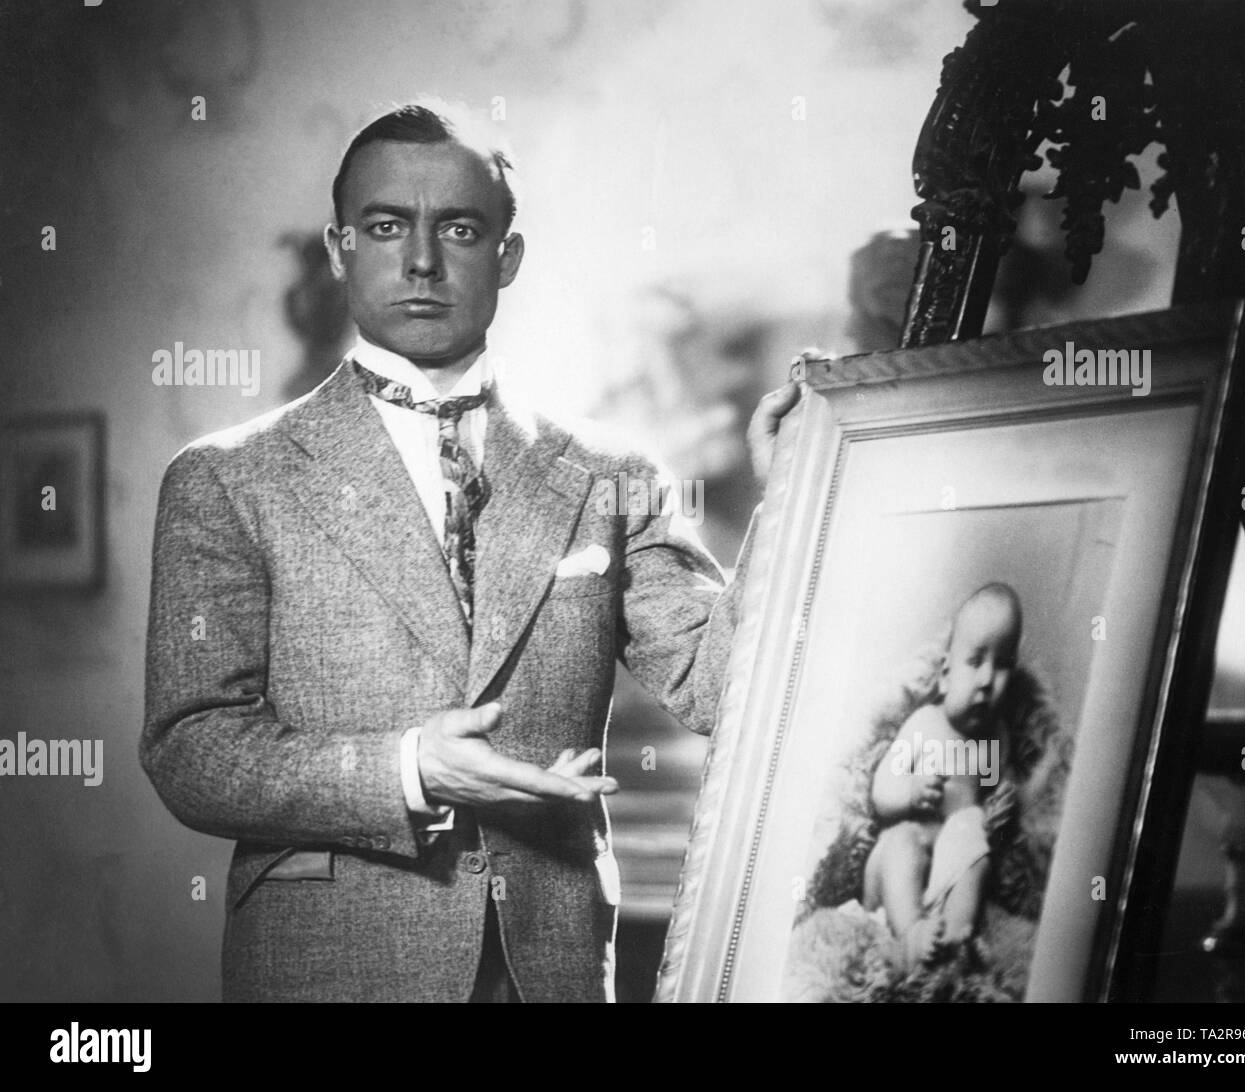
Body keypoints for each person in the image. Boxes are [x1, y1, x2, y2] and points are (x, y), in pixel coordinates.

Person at [140, 103, 798, 1002]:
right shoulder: (227, 480)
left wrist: (788, 495)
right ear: (340, 250)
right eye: (384, 227)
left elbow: (726, 683)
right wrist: (410, 768)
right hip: (327, 970)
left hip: (548, 967)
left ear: (507, 256)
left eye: (457, 228)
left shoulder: (605, 473)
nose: (420, 261)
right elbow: (193, 752)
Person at [861, 583, 1022, 969]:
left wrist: (1001, 803)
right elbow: (881, 791)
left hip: (949, 860)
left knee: (974, 848)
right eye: (976, 660)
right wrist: (912, 794)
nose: (987, 679)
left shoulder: (997, 737)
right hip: (901, 861)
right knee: (901, 842)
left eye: (1001, 665)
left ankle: (955, 936)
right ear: (946, 674)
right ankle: (910, 931)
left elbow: (994, 792)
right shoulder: (923, 724)